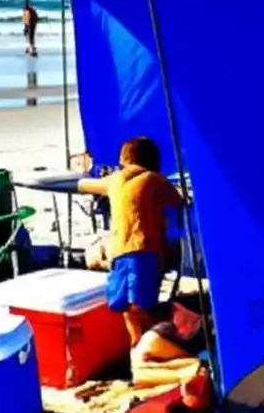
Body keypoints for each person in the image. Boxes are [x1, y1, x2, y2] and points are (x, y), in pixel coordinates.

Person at [76, 137, 184, 347]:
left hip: (118, 252)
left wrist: (83, 172)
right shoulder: (157, 181)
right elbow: (176, 209)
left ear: (125, 158)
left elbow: (83, 184)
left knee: (124, 306)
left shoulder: (114, 180)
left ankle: (138, 347)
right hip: (144, 251)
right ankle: (149, 349)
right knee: (142, 307)